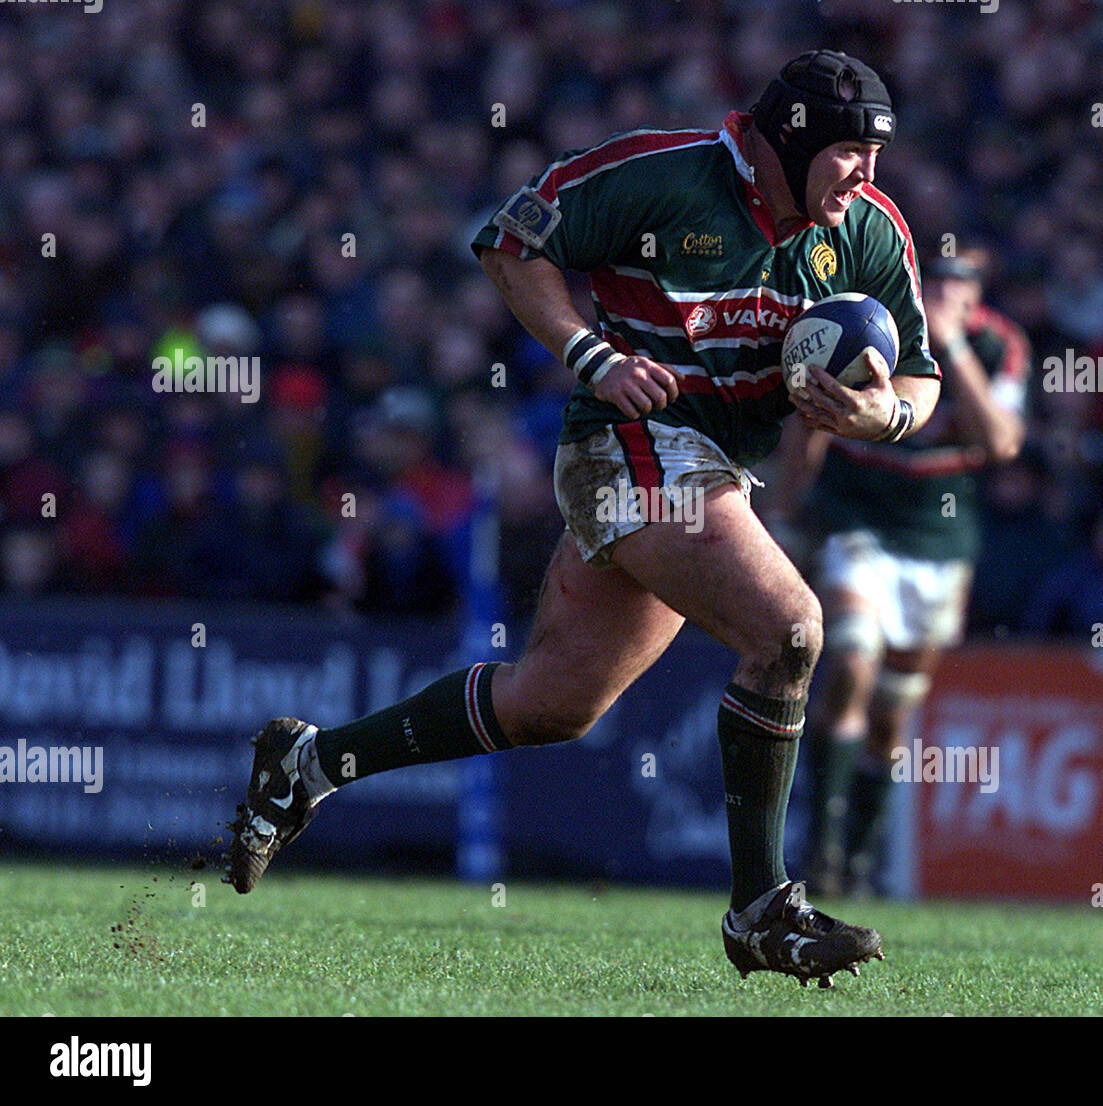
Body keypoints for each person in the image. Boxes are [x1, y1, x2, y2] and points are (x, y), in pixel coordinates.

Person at [224, 50, 941, 987]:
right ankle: (762, 909)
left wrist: (882, 414)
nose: (869, 175)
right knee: (791, 630)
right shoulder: (662, 173)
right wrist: (591, 352)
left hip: (714, 470)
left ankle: (308, 765)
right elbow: (509, 242)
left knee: (552, 703)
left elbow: (919, 378)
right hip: (624, 445)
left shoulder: (869, 231)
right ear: (790, 138)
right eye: (851, 152)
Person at [779, 250, 1027, 898]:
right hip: (856, 524)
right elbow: (812, 424)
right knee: (853, 661)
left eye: (958, 290)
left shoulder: (999, 346)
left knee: (892, 714)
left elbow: (1000, 441)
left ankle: (858, 860)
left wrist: (952, 349)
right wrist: (787, 507)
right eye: (934, 284)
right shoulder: (871, 329)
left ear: (977, 302)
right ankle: (819, 852)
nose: (942, 297)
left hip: (939, 543)